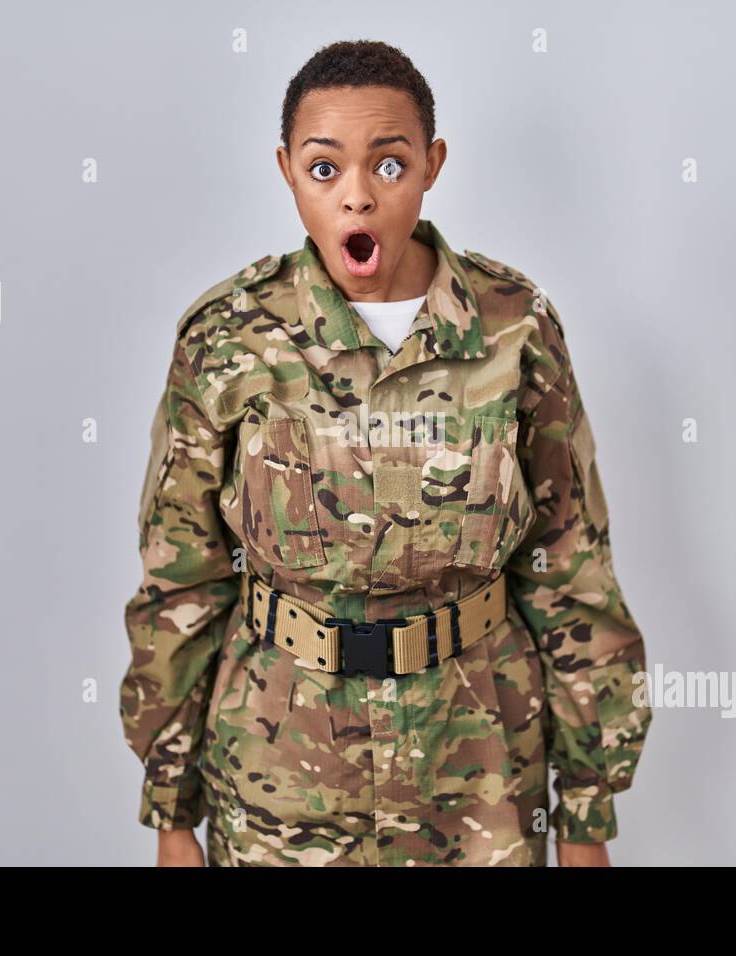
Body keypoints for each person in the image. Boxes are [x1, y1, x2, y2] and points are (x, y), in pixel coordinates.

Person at [119, 39, 651, 867]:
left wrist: (586, 816)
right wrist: (171, 813)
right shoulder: (229, 337)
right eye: (325, 169)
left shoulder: (515, 325)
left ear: (433, 164)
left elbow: (569, 563)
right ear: (288, 172)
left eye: (390, 165)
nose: (358, 197)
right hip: (277, 782)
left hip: (480, 773)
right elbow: (182, 575)